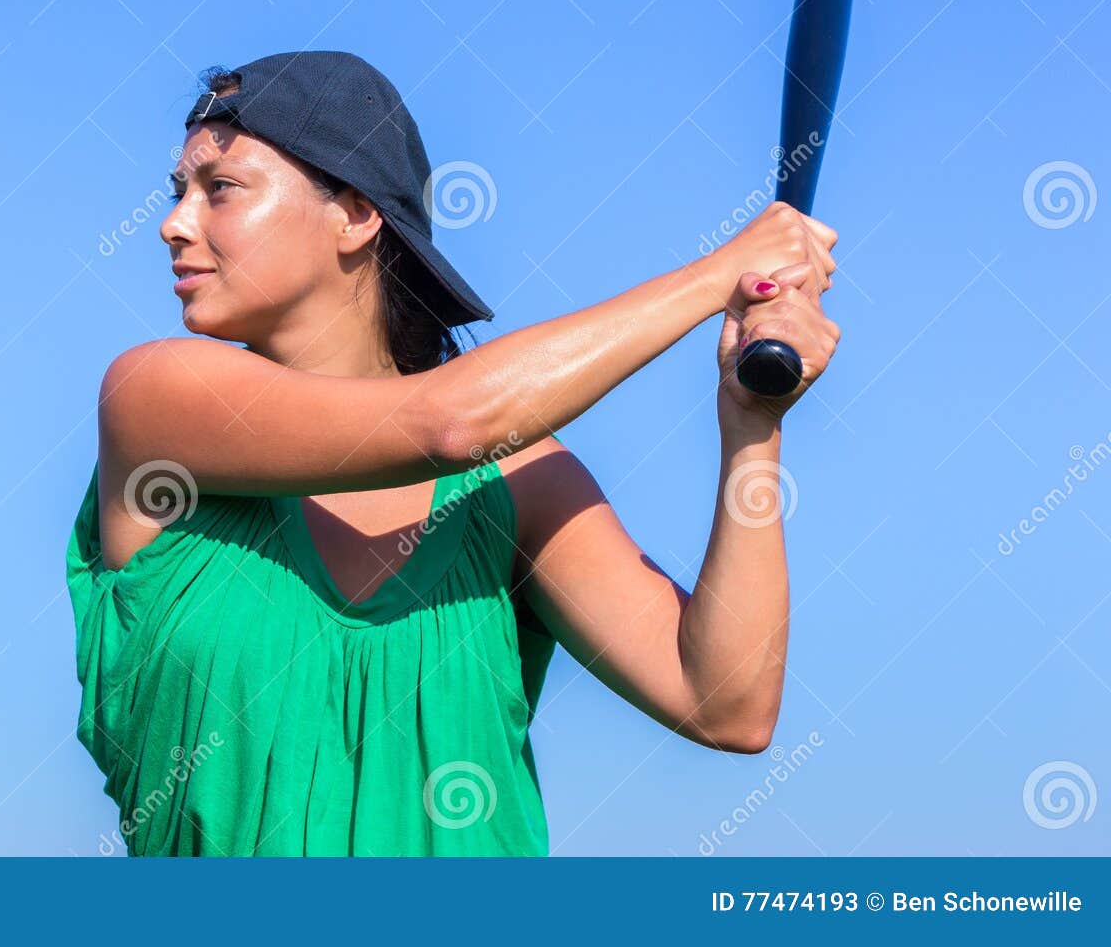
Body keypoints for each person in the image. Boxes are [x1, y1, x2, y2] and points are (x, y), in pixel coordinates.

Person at [65, 50, 840, 856]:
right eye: (177, 192)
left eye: (218, 188)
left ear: (356, 214)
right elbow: (450, 422)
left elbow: (726, 705)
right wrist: (724, 270)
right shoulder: (155, 403)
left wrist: (752, 421)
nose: (173, 222)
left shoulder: (517, 484)